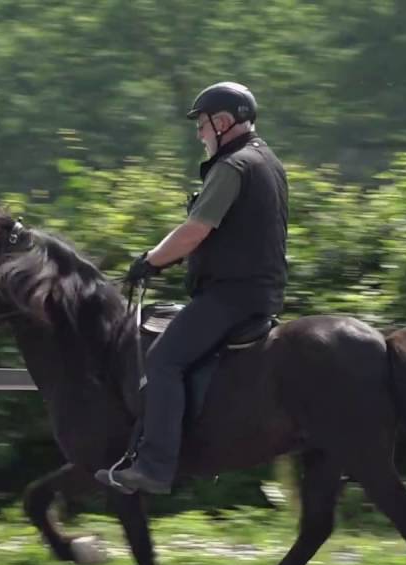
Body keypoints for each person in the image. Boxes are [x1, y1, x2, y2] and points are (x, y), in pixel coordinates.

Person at [95, 81, 289, 495]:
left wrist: (150, 260)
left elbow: (196, 230)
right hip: (259, 292)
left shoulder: (232, 165)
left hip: (230, 297)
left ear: (222, 122)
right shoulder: (267, 161)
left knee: (163, 361)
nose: (199, 134)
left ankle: (155, 467)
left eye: (201, 125)